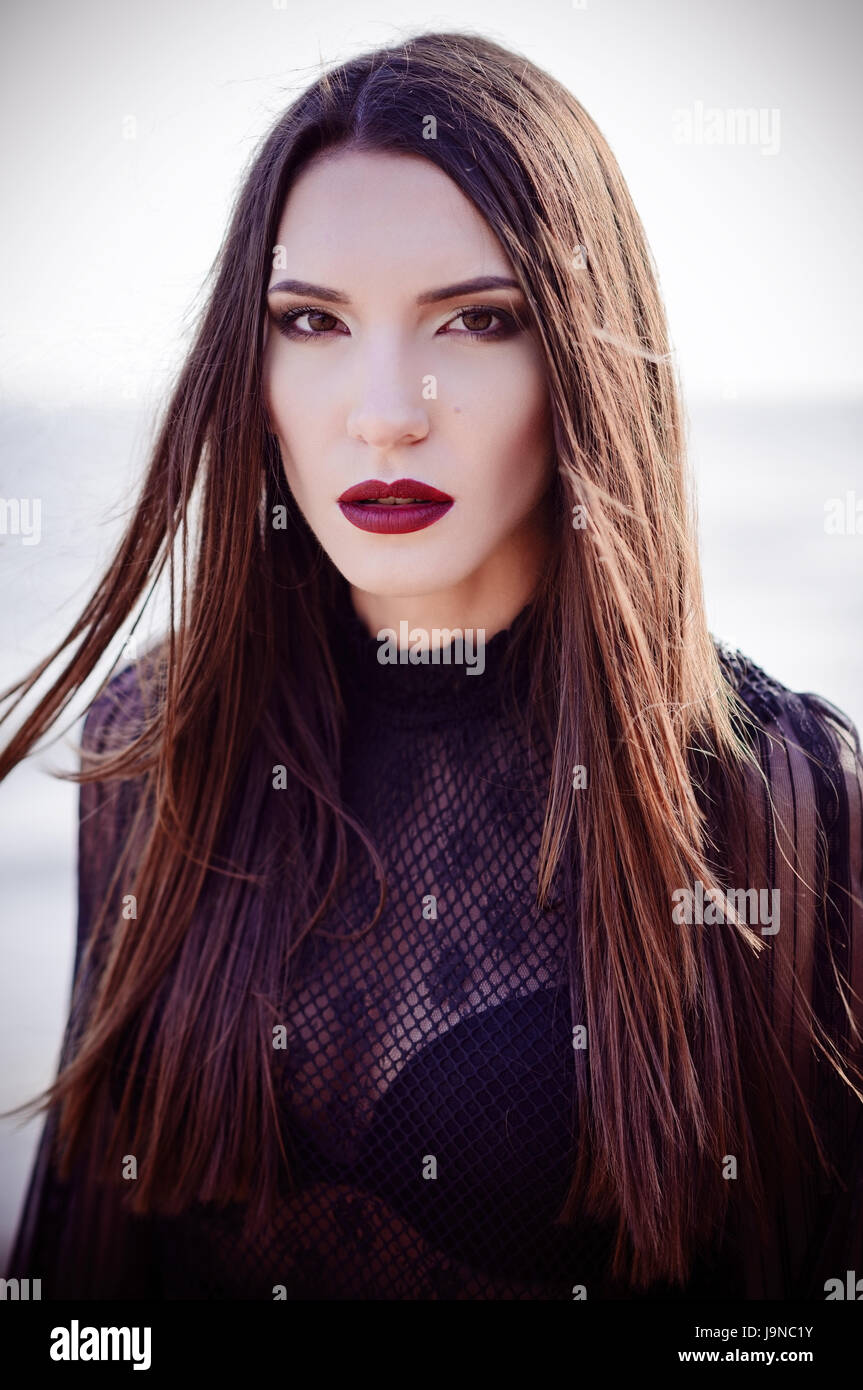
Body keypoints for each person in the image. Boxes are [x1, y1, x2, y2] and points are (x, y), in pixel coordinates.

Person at [2, 29, 861, 1301]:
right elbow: (83, 1295)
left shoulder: (771, 801)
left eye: (476, 319)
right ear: (255, 368)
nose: (387, 407)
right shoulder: (160, 747)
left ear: (579, 358)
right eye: (312, 321)